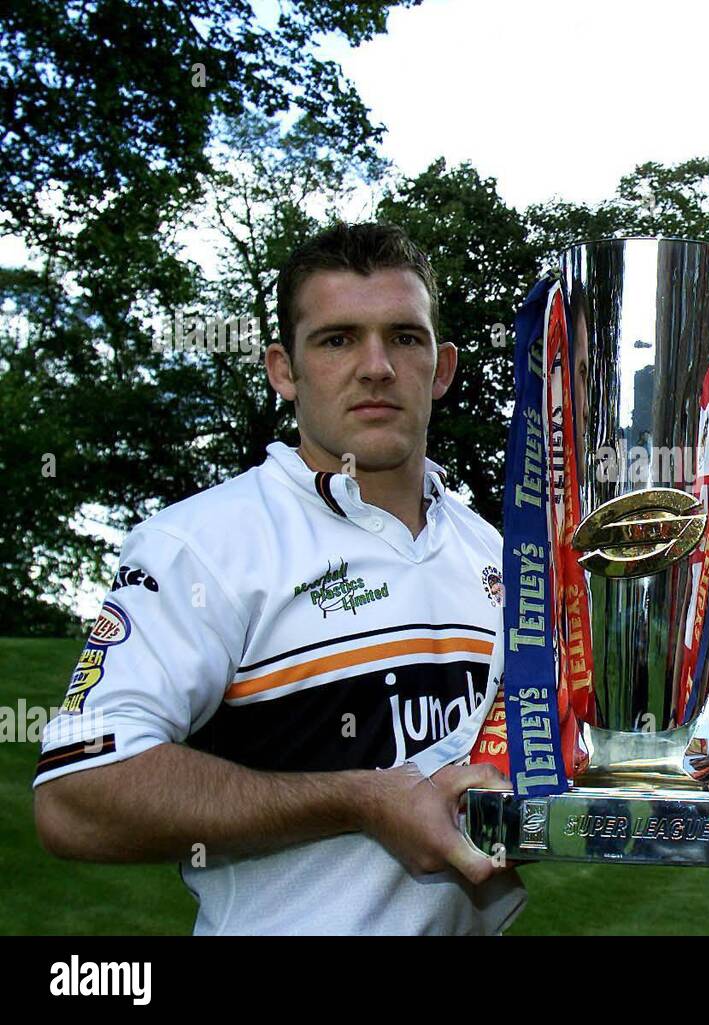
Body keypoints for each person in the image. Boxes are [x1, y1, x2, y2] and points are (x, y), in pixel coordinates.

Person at [33, 222, 522, 935]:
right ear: (283, 370)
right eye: (337, 339)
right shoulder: (200, 545)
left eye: (405, 337)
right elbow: (76, 795)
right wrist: (358, 800)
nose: (377, 365)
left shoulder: (496, 554)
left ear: (442, 368)